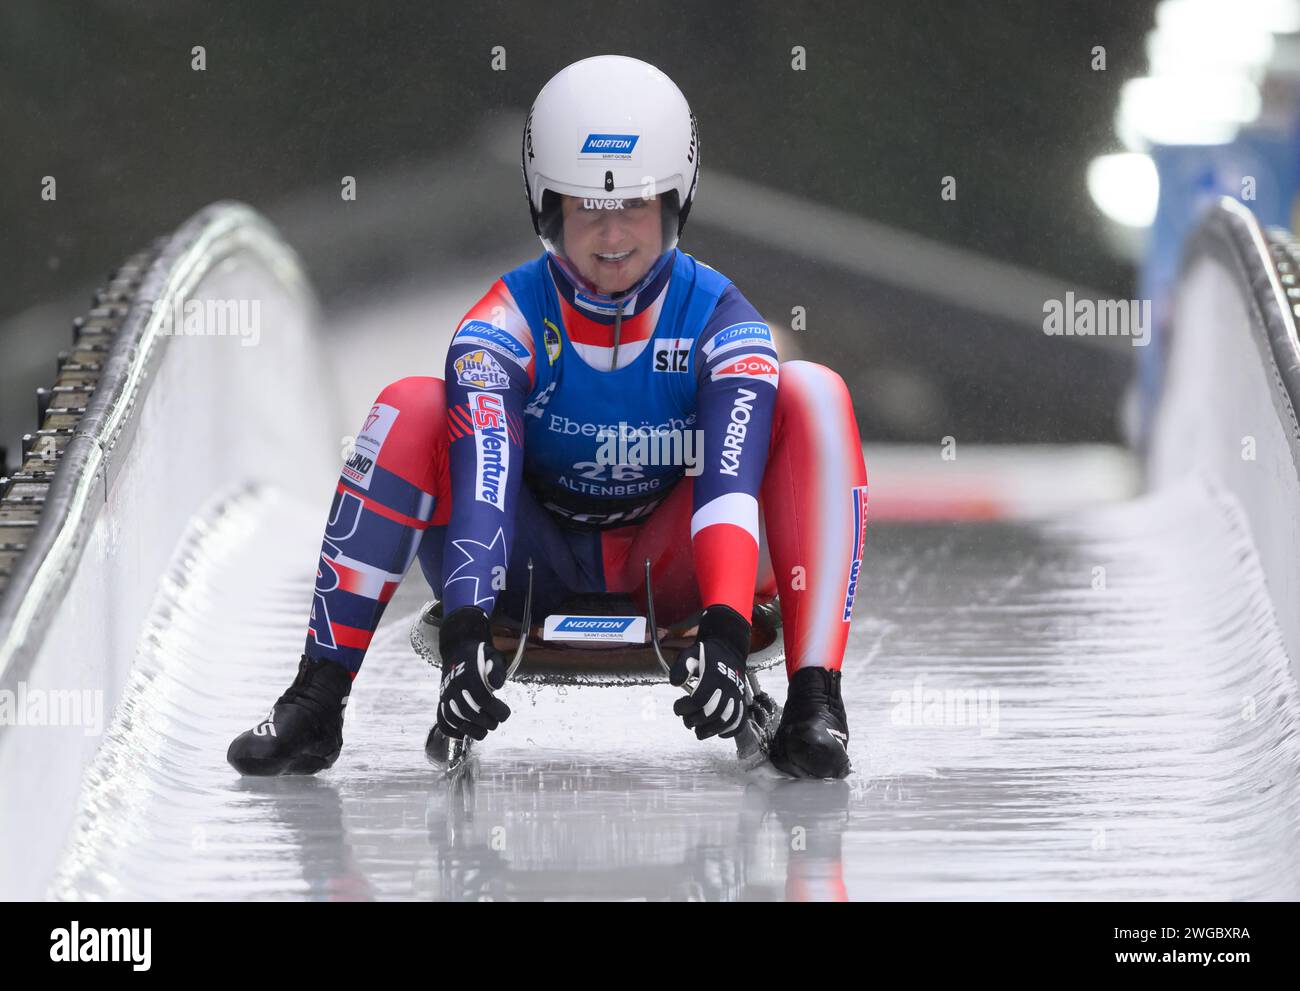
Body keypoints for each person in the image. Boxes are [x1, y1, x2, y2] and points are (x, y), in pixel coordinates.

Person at [227, 55, 868, 780]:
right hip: (527, 564)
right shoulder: (501, 323)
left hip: (674, 561)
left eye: (635, 205)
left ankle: (819, 700)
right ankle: (316, 698)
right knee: (412, 405)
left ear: (675, 202)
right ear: (547, 205)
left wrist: (723, 622)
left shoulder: (724, 324)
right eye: (587, 207)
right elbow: (484, 477)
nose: (613, 235)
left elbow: (728, 480)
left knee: (812, 391)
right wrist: (469, 622)